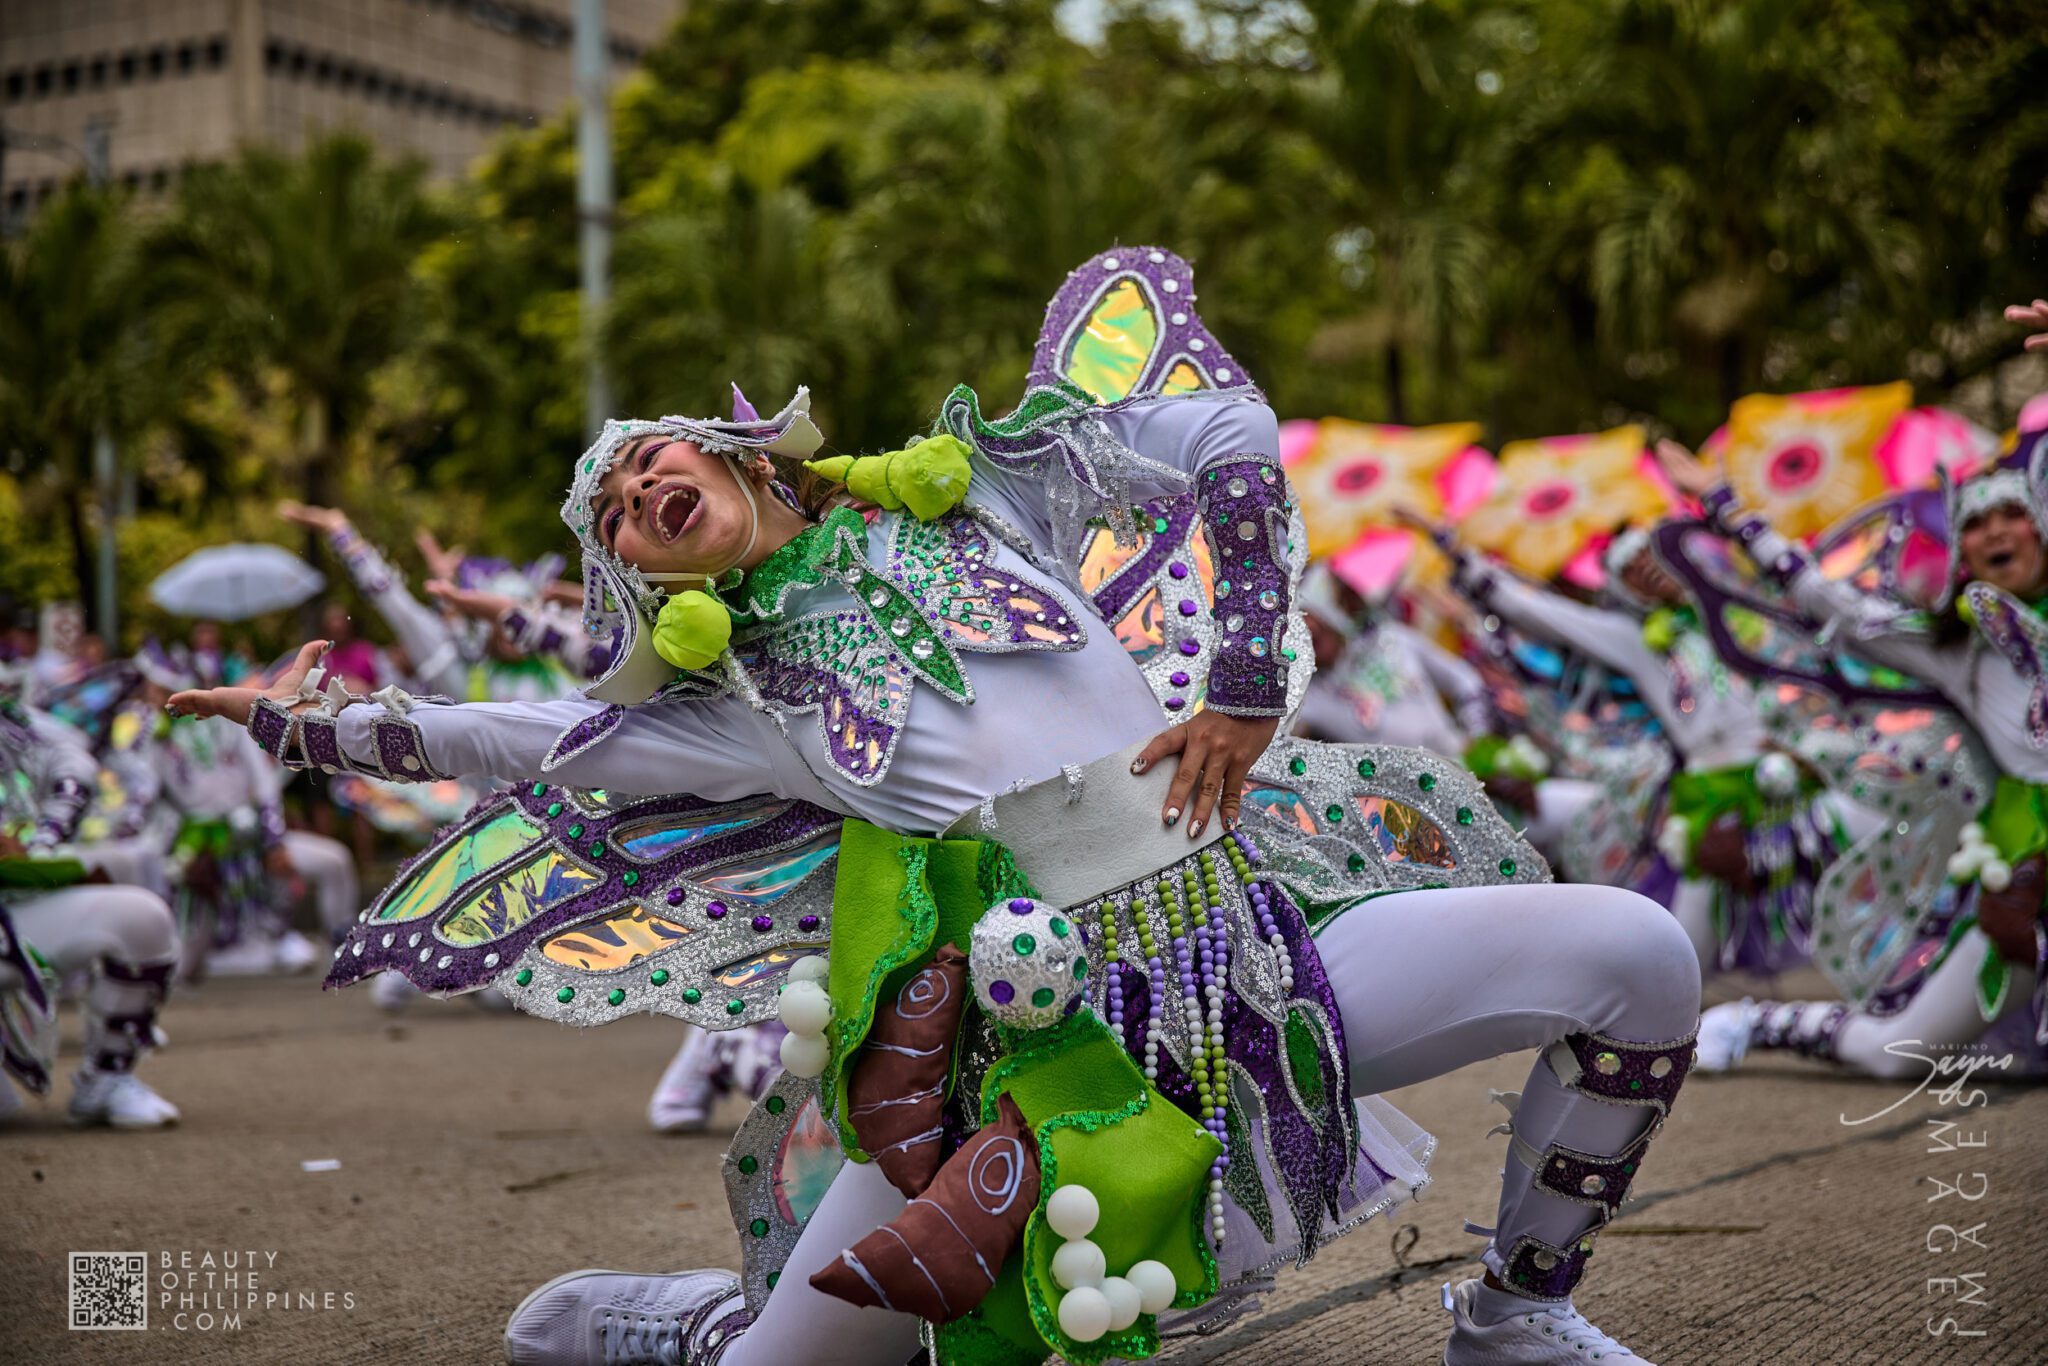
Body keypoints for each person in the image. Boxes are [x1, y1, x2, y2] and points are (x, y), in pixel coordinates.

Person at [170, 248, 1699, 1366]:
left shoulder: (983, 486)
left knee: (1640, 958)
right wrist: (303, 726)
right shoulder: (731, 705)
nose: (642, 494)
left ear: (734, 445)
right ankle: (702, 1322)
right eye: (622, 518)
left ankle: (1518, 1315)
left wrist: (1242, 681)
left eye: (652, 460)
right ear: (651, 579)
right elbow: (515, 737)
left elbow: (1235, 443)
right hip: (1011, 1075)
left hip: (1252, 973)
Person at [1657, 430, 2048, 1078]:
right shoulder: (1959, 650)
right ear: (1964, 554)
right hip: (2025, 869)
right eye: (1976, 523)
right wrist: (1726, 507)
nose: (1997, 532)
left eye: (2014, 515)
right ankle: (1759, 1021)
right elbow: (1827, 598)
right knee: (1898, 1055)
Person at [0, 683, 182, 1128]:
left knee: (141, 917)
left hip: (13, 907)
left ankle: (106, 1079)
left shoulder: (14, 721)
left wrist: (43, 837)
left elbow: (71, 759)